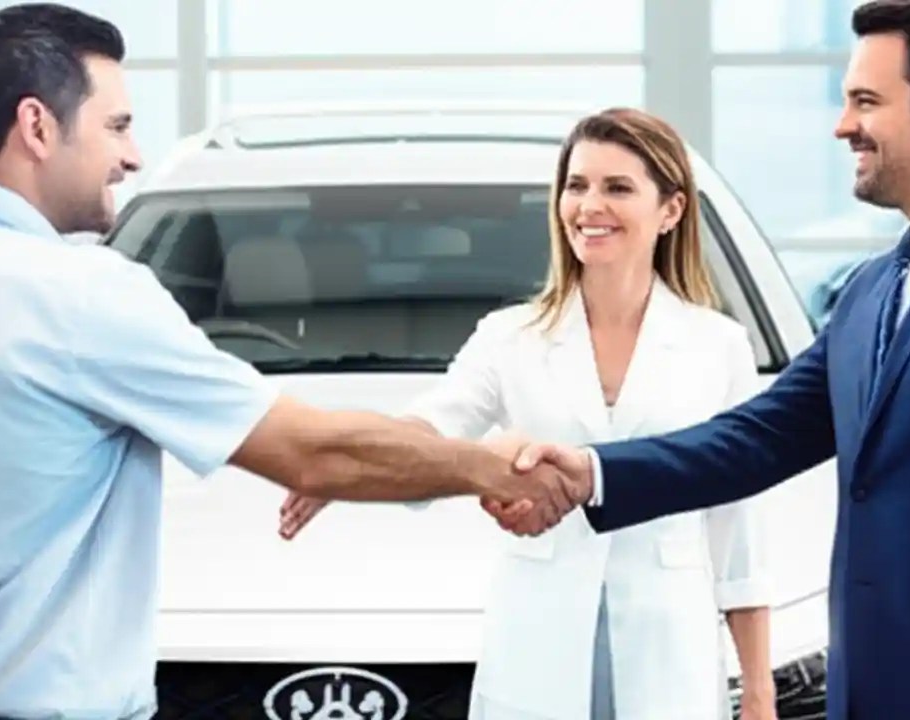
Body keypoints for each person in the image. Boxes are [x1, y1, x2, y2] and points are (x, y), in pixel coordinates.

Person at [0, 5, 583, 719]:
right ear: (37, 127)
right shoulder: (81, 295)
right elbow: (310, 455)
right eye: (117, 126)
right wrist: (495, 465)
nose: (131, 156)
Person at [489, 2, 910, 719]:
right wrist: (589, 472)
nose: (843, 125)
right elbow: (756, 438)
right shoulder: (875, 286)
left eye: (866, 101)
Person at [278, 108, 780, 720]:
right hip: (540, 647)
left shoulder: (717, 346)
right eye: (577, 185)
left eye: (617, 187)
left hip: (667, 655)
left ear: (670, 211)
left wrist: (757, 690)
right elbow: (432, 429)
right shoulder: (509, 337)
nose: (589, 205)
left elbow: (738, 528)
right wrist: (339, 462)